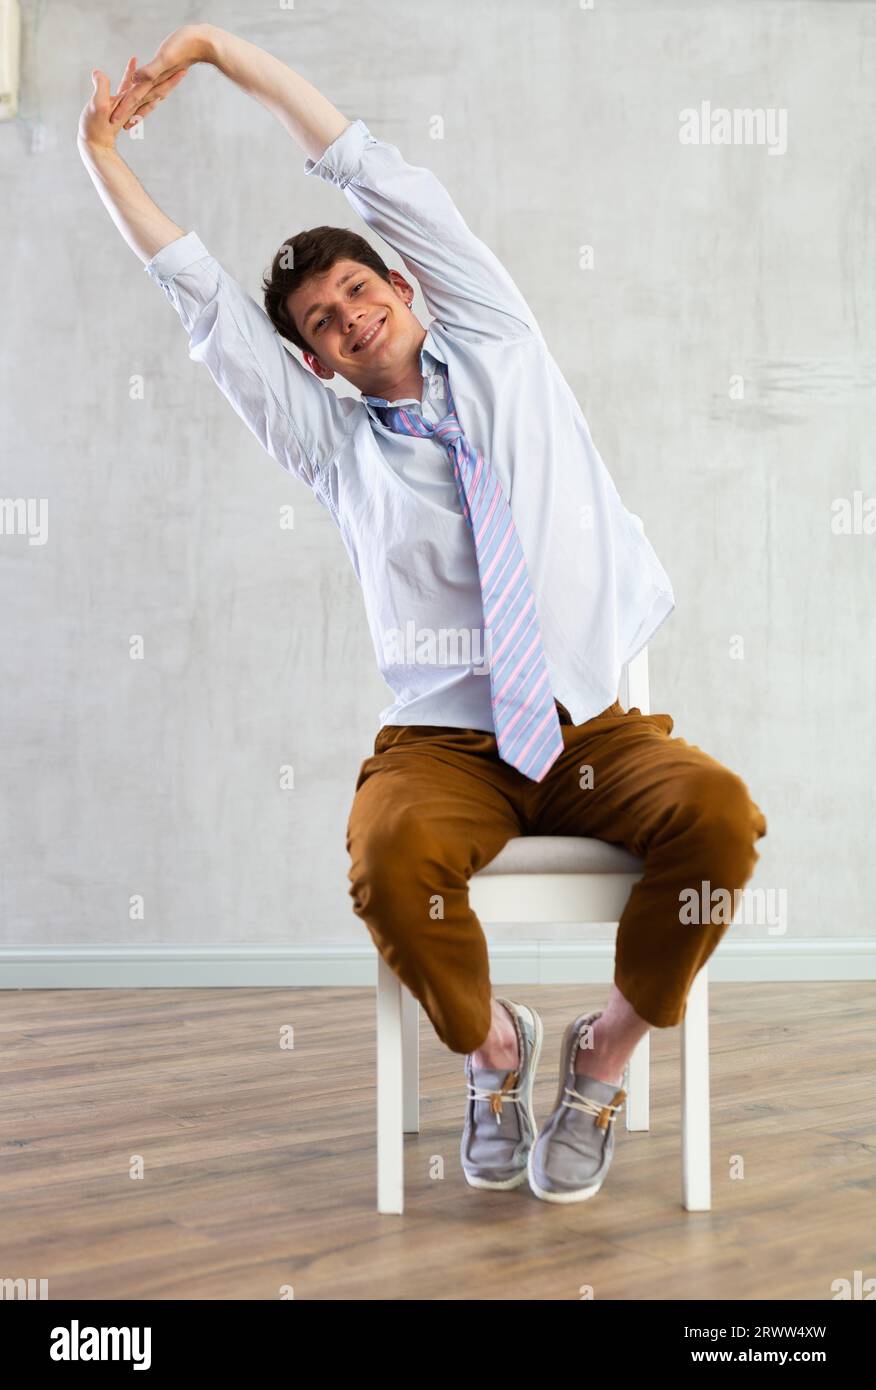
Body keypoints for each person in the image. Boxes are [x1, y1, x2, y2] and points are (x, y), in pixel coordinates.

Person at [77, 23, 768, 1204]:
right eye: (322, 326)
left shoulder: (499, 342)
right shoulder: (335, 448)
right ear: (317, 364)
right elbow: (197, 301)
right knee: (388, 854)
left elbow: (367, 164)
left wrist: (215, 52)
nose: (349, 319)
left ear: (406, 288)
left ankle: (601, 1053)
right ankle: (496, 1050)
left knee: (722, 820)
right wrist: (103, 156)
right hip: (447, 744)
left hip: (591, 728)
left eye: (359, 291)